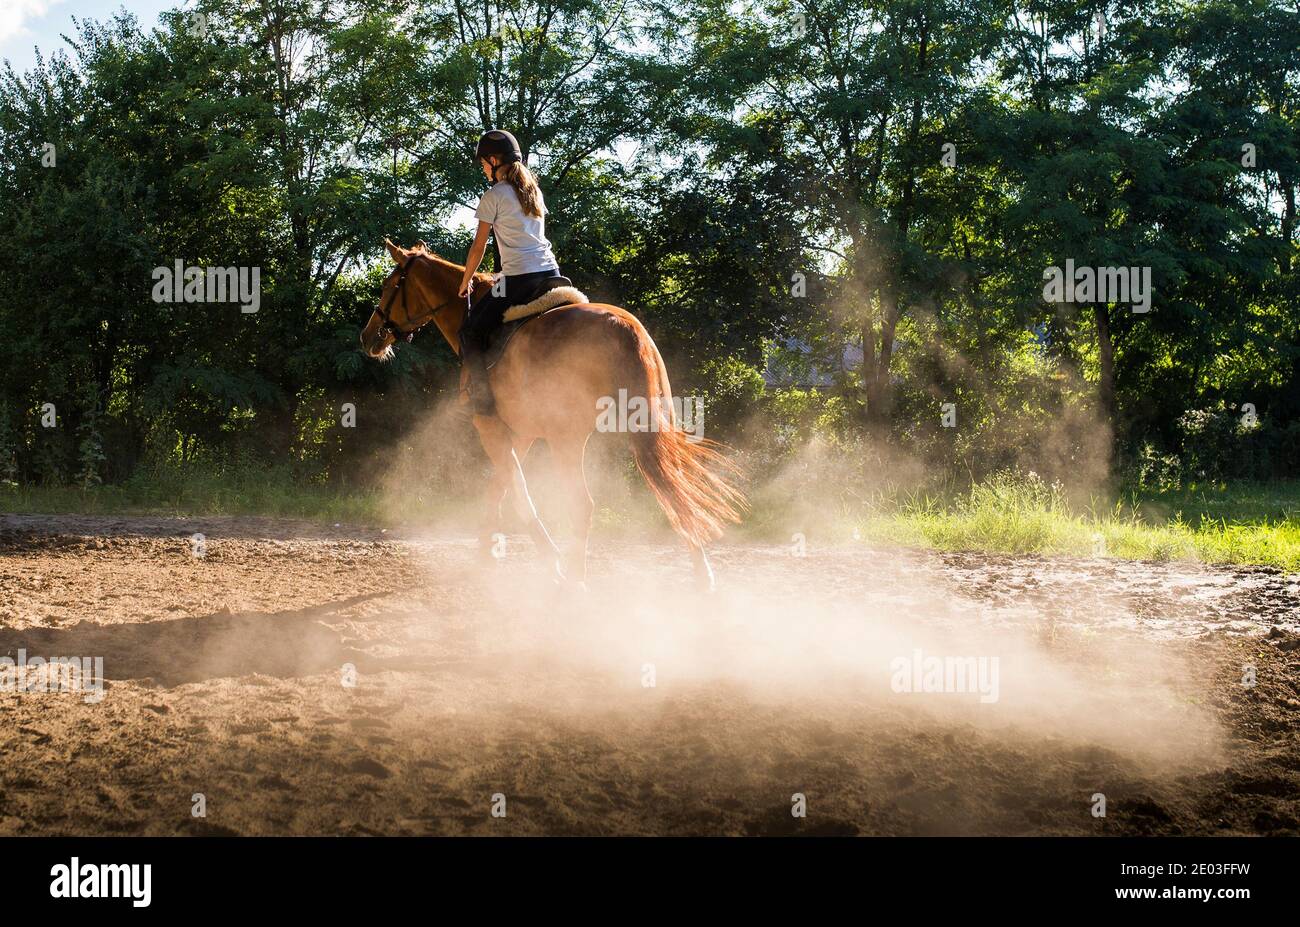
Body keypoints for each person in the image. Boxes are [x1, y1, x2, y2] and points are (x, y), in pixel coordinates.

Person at [457, 129, 561, 414]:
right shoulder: (533, 191)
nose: (482, 168)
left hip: (520, 279)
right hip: (552, 273)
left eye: (483, 163)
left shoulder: (493, 195)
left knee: (469, 331)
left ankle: (482, 400)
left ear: (493, 160)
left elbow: (478, 248)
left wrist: (465, 282)